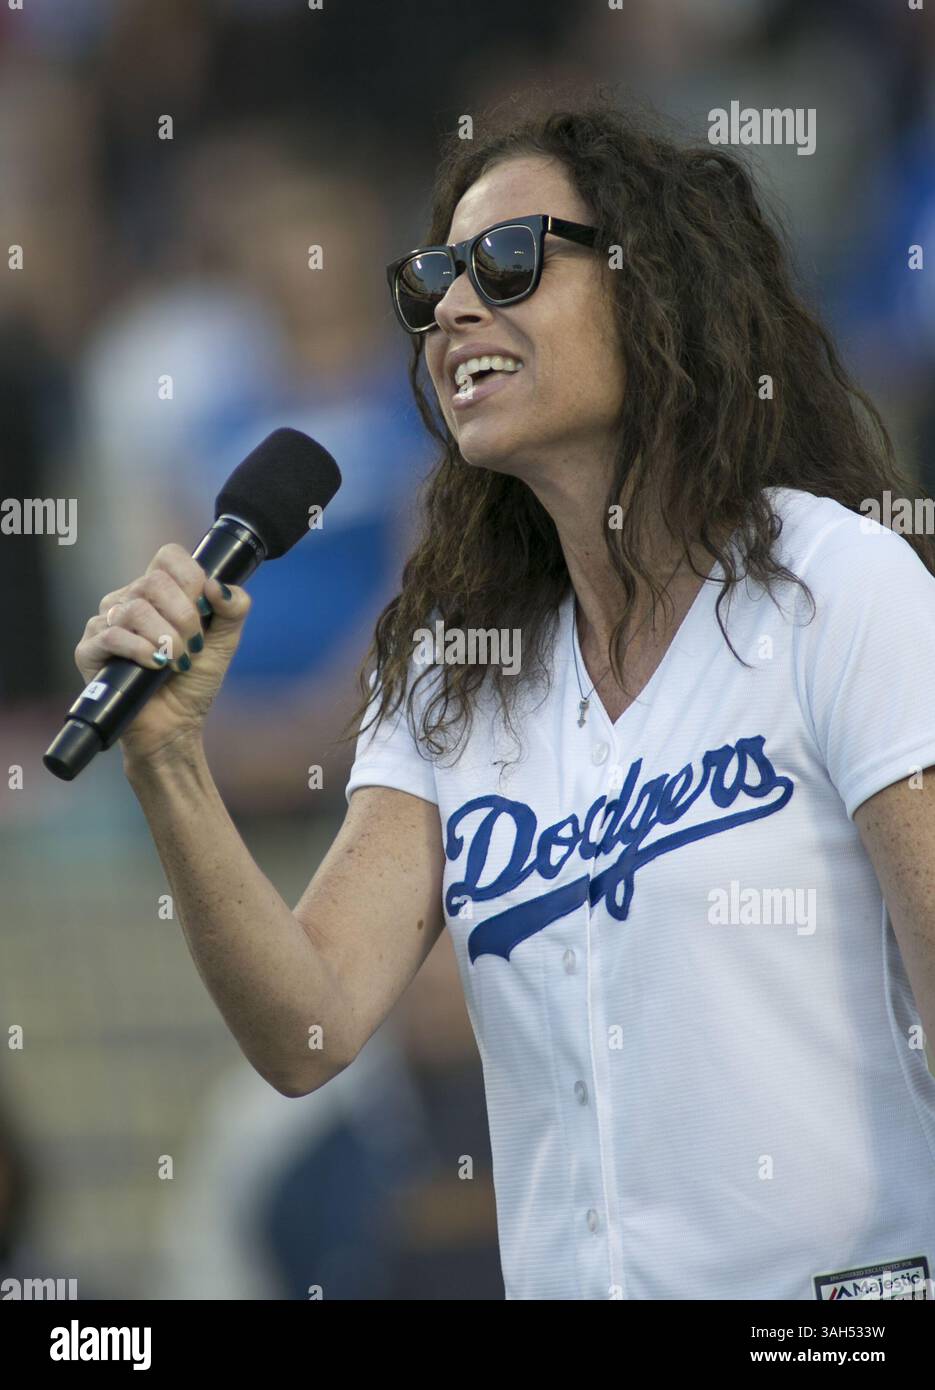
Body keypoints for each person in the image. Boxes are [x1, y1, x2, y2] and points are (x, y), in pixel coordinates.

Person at [74, 98, 935, 1301]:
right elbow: (307, 1029)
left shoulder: (837, 586)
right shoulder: (453, 664)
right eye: (432, 278)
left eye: (510, 262)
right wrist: (168, 760)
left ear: (655, 287)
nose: (453, 309)